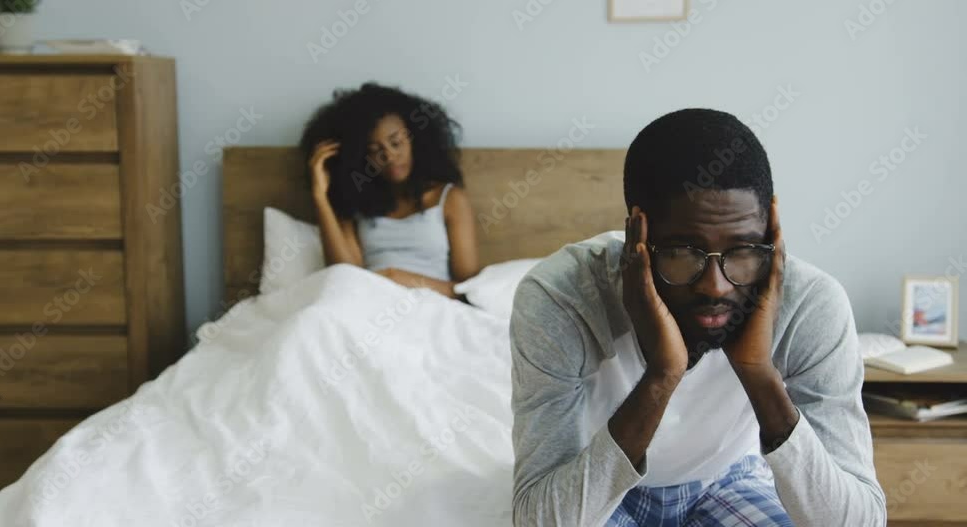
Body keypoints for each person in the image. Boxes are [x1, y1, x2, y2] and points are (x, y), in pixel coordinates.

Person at [510, 109, 885, 526]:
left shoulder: (810, 304)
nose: (715, 287)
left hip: (725, 480)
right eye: (682, 253)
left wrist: (759, 373)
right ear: (637, 235)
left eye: (742, 250)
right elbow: (540, 520)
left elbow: (859, 521)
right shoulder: (562, 300)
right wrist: (663, 374)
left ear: (770, 232)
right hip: (598, 488)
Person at [301, 82, 480, 297]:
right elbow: (344, 275)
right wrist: (320, 197)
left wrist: (396, 278)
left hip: (433, 305)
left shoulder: (448, 198)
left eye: (396, 143)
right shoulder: (356, 204)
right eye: (375, 151)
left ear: (415, 139)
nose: (389, 156)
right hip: (370, 303)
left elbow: (468, 290)